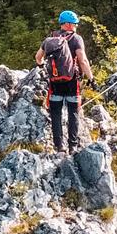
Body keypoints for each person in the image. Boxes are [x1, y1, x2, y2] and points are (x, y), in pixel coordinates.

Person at [36, 10, 92, 152]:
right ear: (67, 24)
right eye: (75, 24)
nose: (76, 26)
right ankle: (72, 147)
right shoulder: (76, 39)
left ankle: (59, 147)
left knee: (56, 113)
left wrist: (43, 67)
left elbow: (38, 57)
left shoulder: (50, 39)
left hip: (55, 82)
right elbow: (83, 60)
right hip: (72, 81)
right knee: (73, 113)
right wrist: (91, 78)